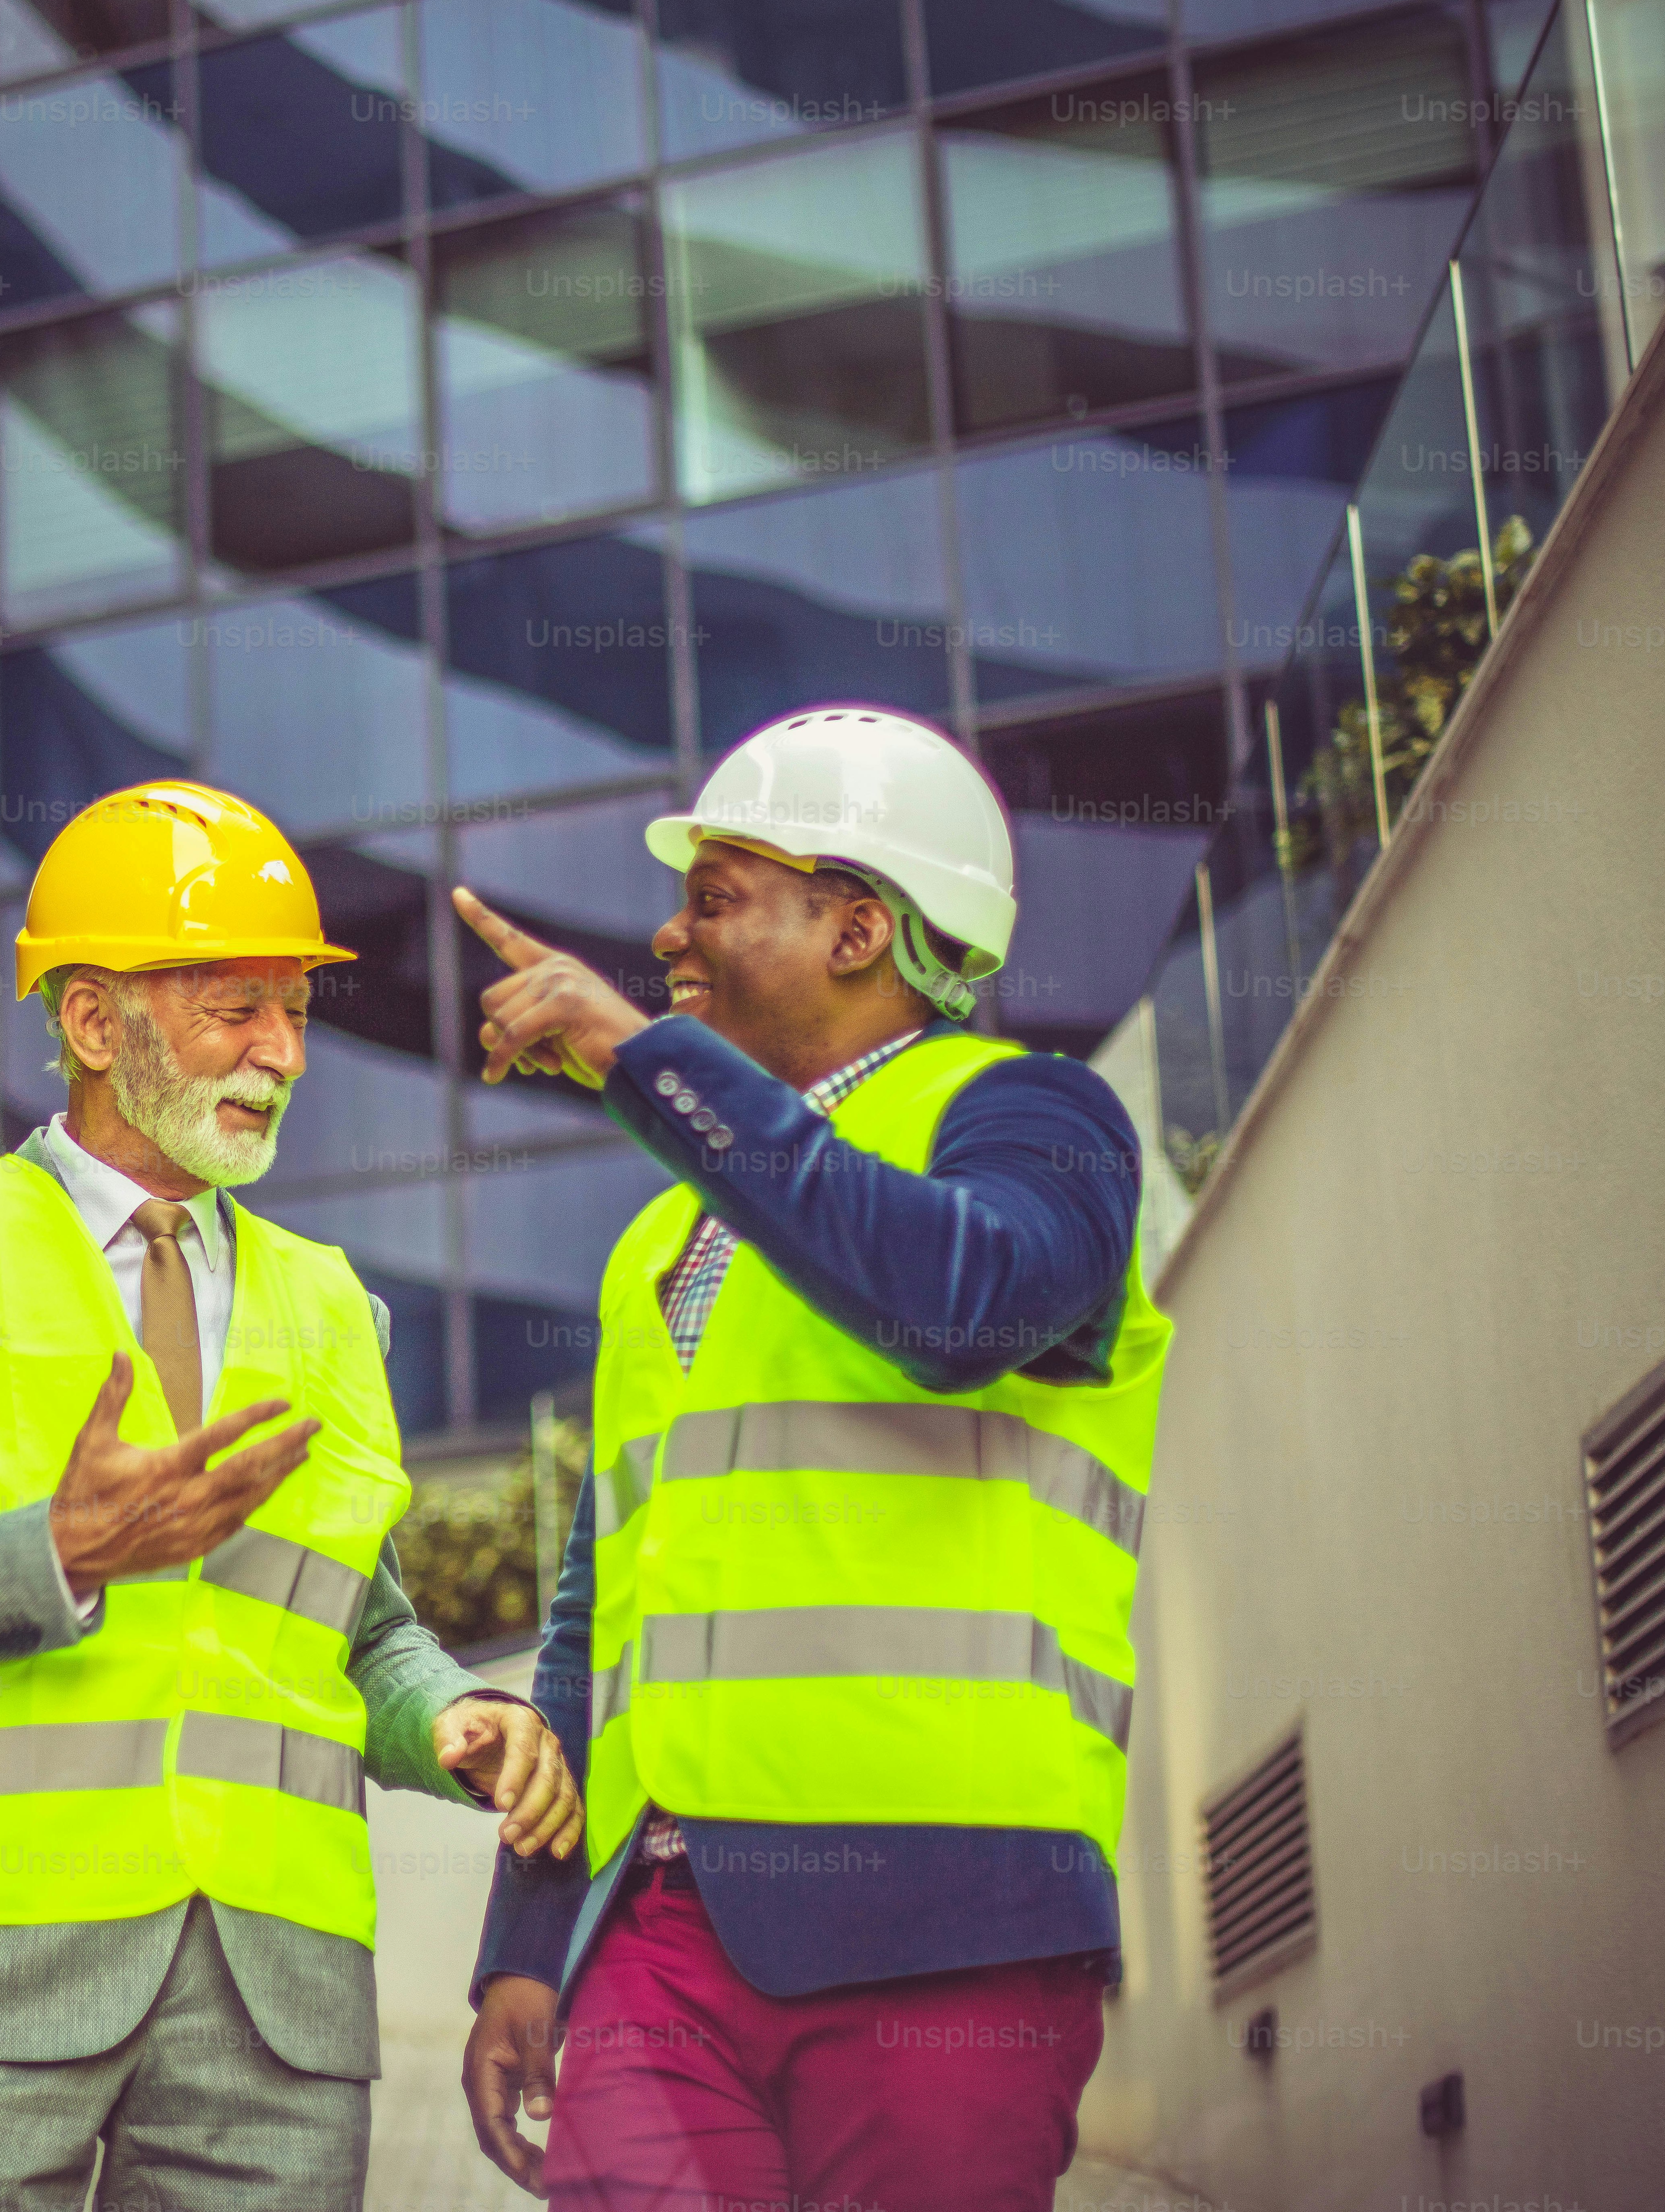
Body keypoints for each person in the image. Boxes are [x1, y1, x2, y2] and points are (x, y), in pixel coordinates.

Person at [0, 779, 580, 2212]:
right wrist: (49, 1557)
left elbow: (350, 1630)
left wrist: (448, 1715)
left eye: (295, 1013)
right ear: (90, 1024)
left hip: (276, 2009)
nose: (284, 1054)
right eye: (235, 1008)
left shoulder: (335, 1308)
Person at [446, 708, 1171, 2210]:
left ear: (857, 929)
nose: (666, 933)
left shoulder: (1033, 1117)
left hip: (953, 1918)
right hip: (663, 1926)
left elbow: (956, 1304)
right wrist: (526, 1947)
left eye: (715, 897)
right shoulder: (659, 1240)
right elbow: (602, 1616)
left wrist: (646, 1064)